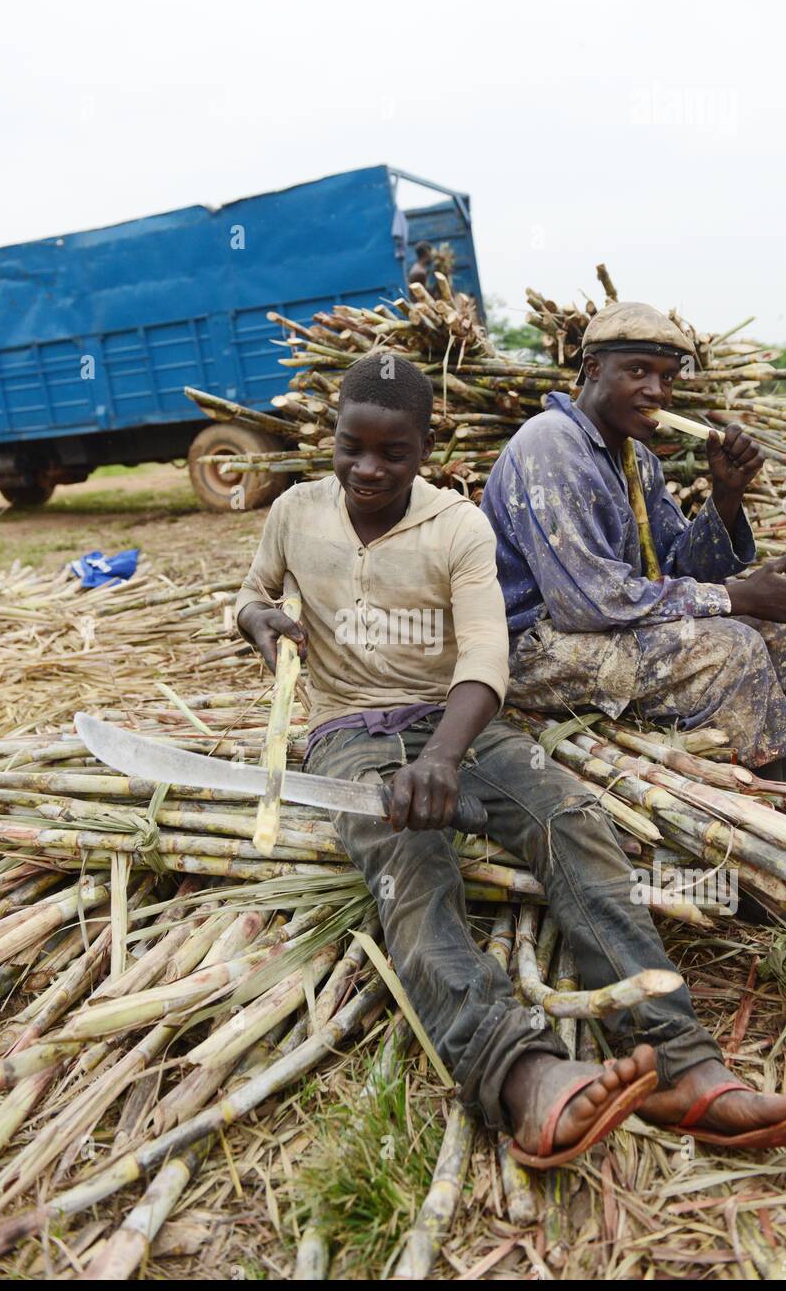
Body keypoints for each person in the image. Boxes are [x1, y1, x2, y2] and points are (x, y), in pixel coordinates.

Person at [236, 352, 786, 1163]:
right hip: (345, 732)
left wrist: (443, 760)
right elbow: (252, 593)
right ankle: (521, 1075)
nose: (367, 468)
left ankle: (681, 1063)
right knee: (408, 855)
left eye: (393, 453)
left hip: (459, 721)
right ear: (333, 436)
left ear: (426, 447)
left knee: (571, 823)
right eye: (351, 447)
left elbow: (486, 658)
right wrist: (256, 621)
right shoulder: (293, 512)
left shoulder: (456, 525)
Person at [480, 301, 786, 776]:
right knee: (733, 647)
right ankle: (768, 797)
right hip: (530, 648)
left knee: (773, 634)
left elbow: (673, 569)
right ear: (592, 368)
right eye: (638, 371)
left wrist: (726, 493)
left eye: (667, 377)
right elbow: (590, 604)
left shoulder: (636, 458)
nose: (656, 391)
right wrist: (737, 596)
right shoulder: (552, 445)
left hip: (592, 628)